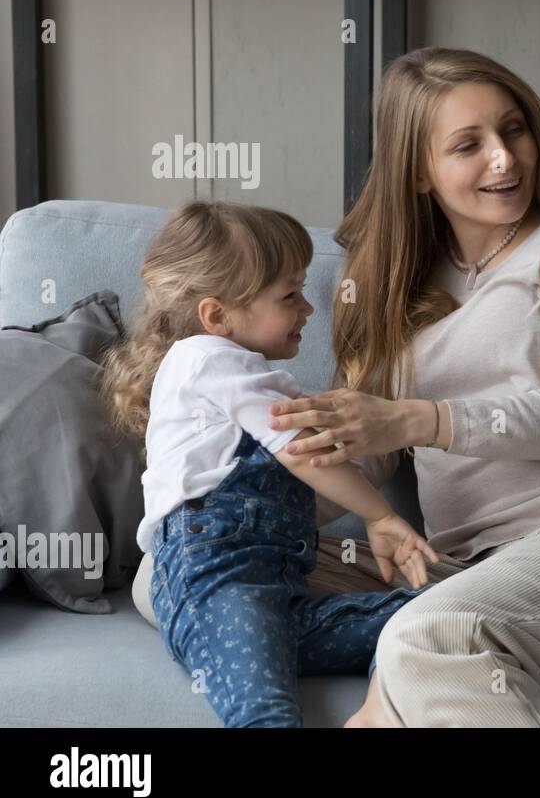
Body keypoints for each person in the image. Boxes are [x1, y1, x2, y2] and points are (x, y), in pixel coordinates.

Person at [265, 47, 540, 727]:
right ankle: (510, 655)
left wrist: (418, 419)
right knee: (187, 572)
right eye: (468, 145)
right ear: (419, 172)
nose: (504, 158)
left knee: (426, 637)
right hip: (464, 567)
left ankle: (442, 655)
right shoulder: (389, 286)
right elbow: (368, 457)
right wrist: (238, 498)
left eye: (513, 130)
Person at [102, 201, 435, 727]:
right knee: (265, 714)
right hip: (217, 581)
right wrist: (380, 517)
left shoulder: (231, 377)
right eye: (289, 295)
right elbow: (304, 452)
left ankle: (521, 664)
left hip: (278, 591)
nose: (309, 308)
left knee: (418, 619)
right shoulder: (207, 358)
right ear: (217, 315)